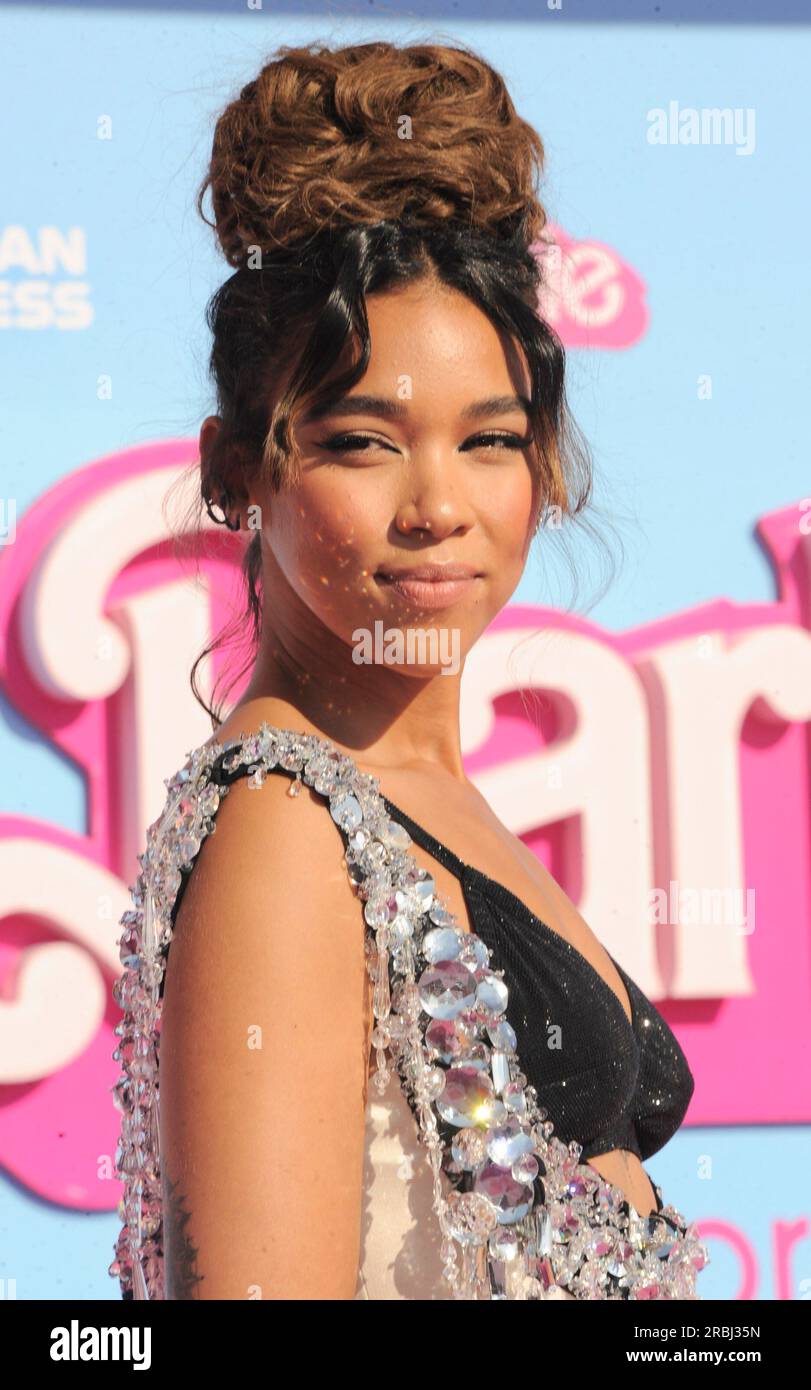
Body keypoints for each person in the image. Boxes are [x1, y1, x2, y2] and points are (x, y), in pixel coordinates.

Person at [110, 38, 711, 1301]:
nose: (438, 505)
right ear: (237, 470)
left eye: (490, 440)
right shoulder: (284, 825)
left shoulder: (421, 789)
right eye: (363, 442)